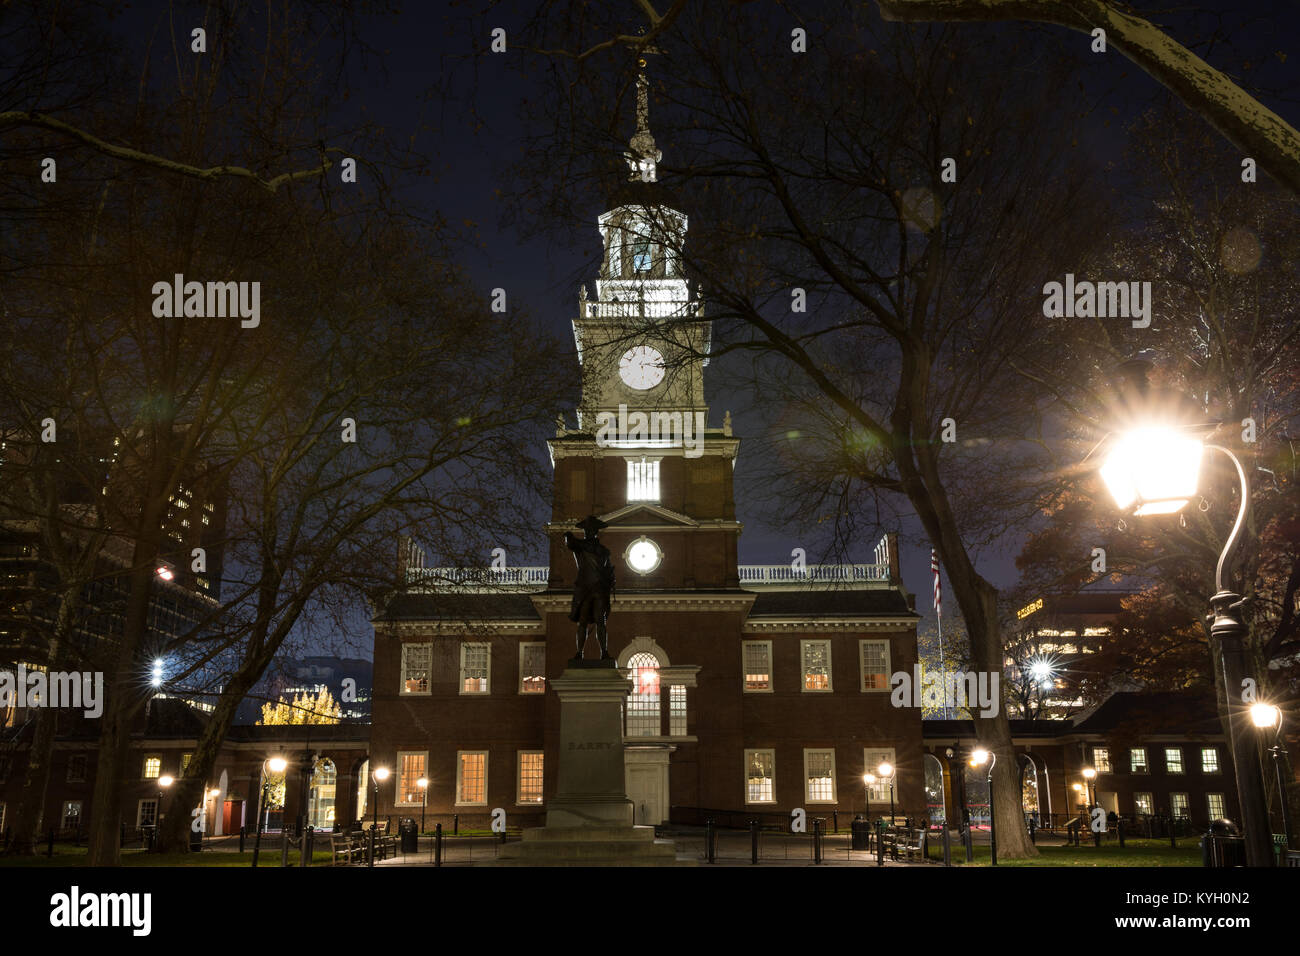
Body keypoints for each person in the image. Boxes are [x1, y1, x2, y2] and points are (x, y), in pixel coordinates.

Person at [564, 515, 616, 661]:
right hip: (595, 590)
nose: (588, 532)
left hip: (588, 590)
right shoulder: (602, 551)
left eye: (589, 529)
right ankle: (600, 653)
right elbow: (609, 573)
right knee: (596, 622)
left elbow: (570, 543)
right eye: (588, 529)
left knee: (585, 622)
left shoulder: (582, 547)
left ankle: (585, 653)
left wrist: (567, 535)